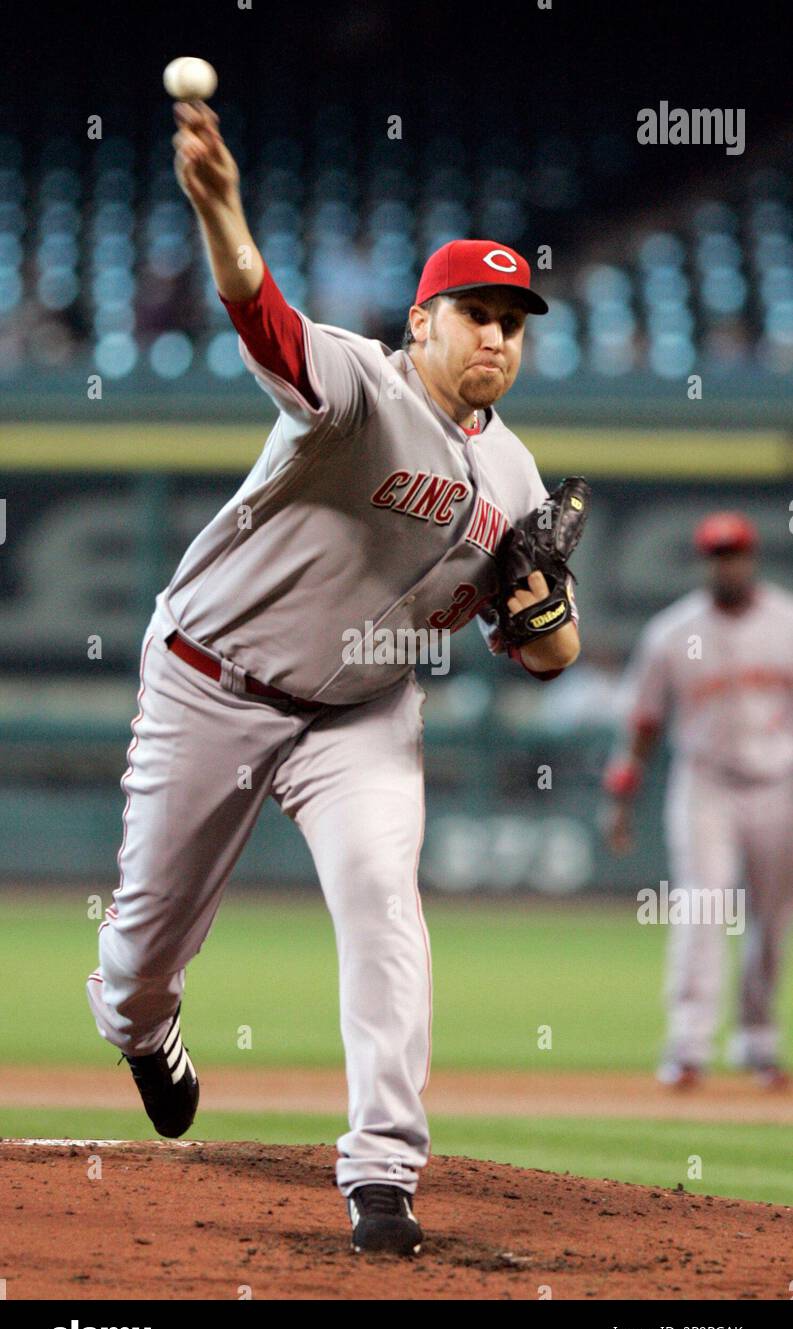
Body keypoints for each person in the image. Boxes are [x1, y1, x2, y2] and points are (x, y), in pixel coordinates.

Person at [86, 100, 580, 1256]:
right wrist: (219, 207)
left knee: (383, 906)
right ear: (422, 322)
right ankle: (140, 1026)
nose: (495, 337)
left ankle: (382, 1173)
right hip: (211, 679)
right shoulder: (359, 385)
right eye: (474, 313)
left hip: (358, 717)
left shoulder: (513, 470)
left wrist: (545, 618)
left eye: (514, 320)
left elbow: (544, 652)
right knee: (141, 950)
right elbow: (262, 317)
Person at [603, 512, 793, 1089]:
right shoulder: (671, 631)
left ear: (751, 558)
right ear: (704, 562)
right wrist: (621, 798)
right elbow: (642, 723)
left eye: (733, 553)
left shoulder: (786, 621)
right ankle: (688, 1045)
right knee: (702, 908)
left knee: (771, 917)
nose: (726, 563)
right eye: (716, 555)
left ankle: (758, 1041)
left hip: (778, 782)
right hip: (704, 783)